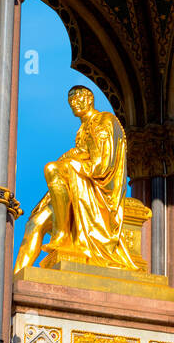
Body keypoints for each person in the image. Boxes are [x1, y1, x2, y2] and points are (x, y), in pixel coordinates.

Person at [14, 87, 140, 272]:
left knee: (52, 168)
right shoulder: (82, 129)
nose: (75, 103)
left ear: (90, 99)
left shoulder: (104, 120)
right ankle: (13, 283)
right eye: (71, 101)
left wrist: (72, 161)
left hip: (96, 188)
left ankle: (62, 234)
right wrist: (74, 157)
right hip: (74, 185)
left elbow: (103, 164)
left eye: (79, 98)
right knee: (35, 223)